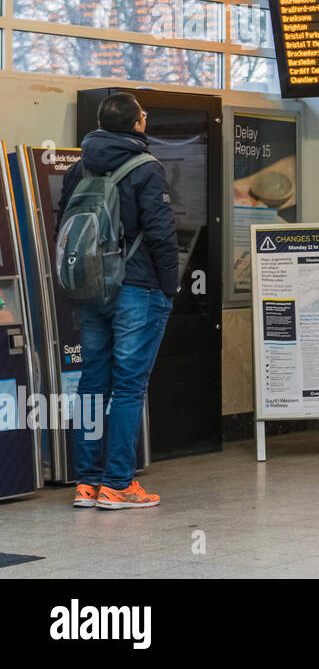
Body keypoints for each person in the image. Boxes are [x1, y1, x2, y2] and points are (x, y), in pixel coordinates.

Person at [58, 93, 179, 510]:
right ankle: (118, 484)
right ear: (137, 124)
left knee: (92, 384)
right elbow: (161, 233)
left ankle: (87, 484)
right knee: (129, 387)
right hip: (136, 287)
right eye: (144, 116)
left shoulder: (78, 167)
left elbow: (64, 223)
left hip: (90, 288)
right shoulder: (147, 168)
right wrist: (170, 285)